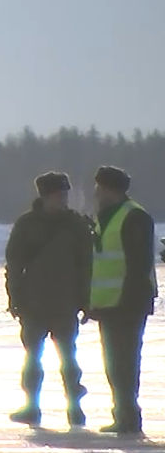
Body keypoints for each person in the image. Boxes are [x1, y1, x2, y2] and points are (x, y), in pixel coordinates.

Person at [4, 172, 93, 428]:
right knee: (33, 357)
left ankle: (74, 406)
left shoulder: (75, 225)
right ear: (44, 196)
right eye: (57, 194)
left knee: (68, 357)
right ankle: (32, 406)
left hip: (65, 301)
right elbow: (14, 264)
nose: (62, 199)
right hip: (34, 302)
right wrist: (14, 297)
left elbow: (86, 265)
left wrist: (85, 300)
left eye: (64, 194)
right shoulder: (27, 224)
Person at [88, 166, 157, 435]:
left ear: (108, 189)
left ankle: (128, 416)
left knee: (125, 362)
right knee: (114, 362)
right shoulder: (104, 217)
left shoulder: (133, 217)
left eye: (98, 188)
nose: (95, 193)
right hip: (108, 302)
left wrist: (129, 299)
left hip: (128, 303)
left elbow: (138, 264)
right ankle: (123, 413)